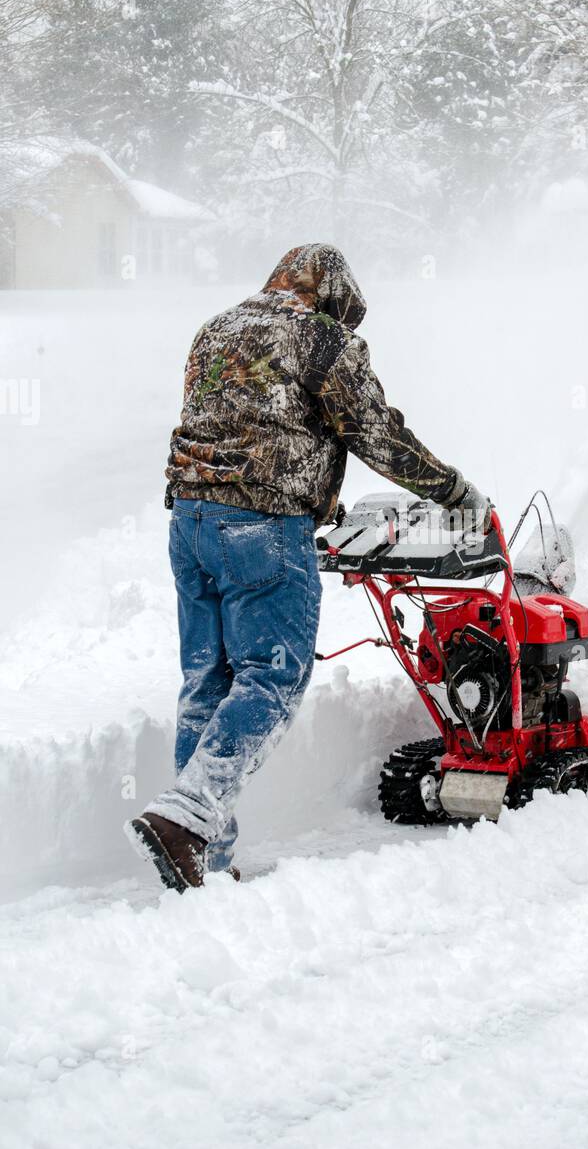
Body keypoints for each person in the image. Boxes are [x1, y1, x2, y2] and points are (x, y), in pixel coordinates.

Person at [125, 243, 489, 891]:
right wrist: (454, 491)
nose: (347, 331)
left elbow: (256, 425)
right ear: (333, 299)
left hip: (190, 521)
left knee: (208, 681)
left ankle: (202, 858)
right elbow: (376, 433)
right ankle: (188, 816)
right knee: (273, 677)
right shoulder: (320, 338)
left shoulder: (219, 327)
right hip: (263, 525)